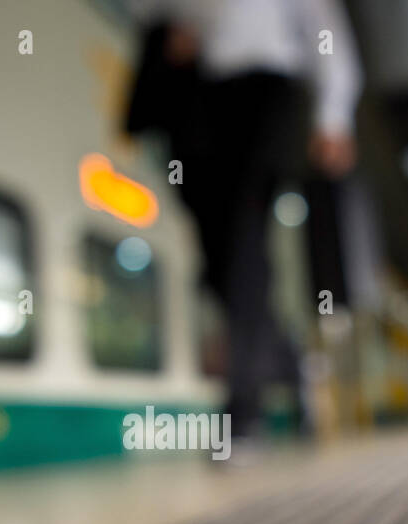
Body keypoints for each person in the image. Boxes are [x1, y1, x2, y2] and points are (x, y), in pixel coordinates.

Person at [126, 0, 362, 441]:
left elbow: (324, 28)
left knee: (244, 242)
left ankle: (243, 413)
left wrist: (334, 116)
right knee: (217, 263)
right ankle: (291, 366)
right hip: (195, 92)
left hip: (264, 91)